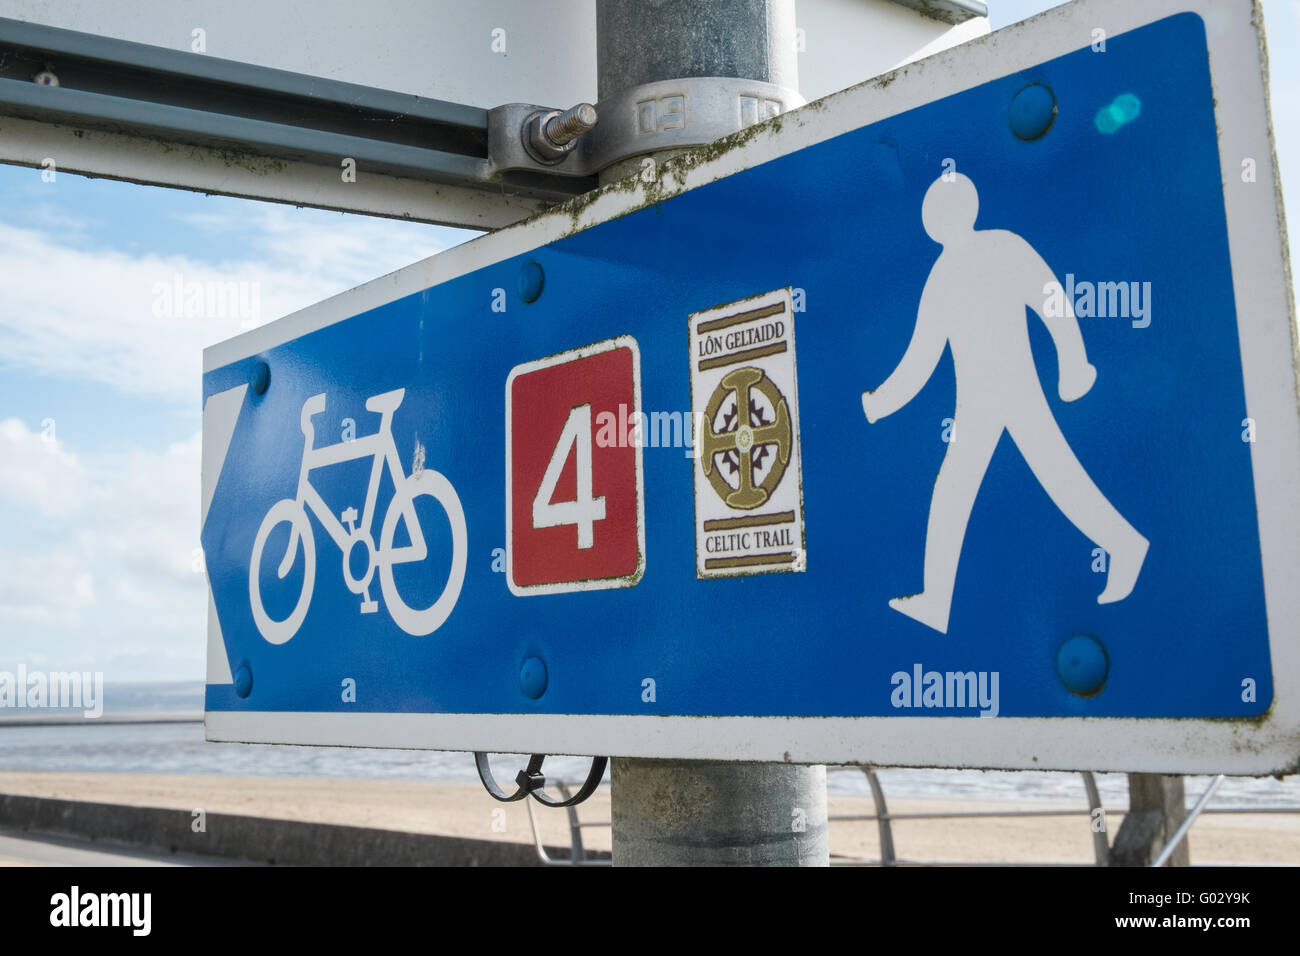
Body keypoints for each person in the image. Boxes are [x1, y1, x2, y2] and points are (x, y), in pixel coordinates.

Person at [862, 173, 1148, 634]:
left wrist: (1075, 364)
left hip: (1010, 391)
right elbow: (922, 356)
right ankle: (936, 601)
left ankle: (1126, 546)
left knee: (1038, 478)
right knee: (981, 486)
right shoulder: (968, 263)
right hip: (980, 402)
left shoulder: (992, 253)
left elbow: (1049, 301)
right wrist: (880, 401)